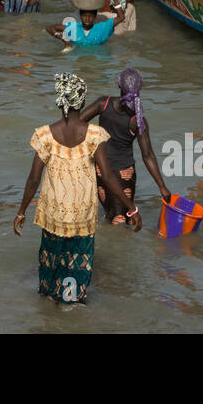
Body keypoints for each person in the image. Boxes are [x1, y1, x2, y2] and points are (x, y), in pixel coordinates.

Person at [13, 74, 140, 305]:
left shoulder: (45, 135)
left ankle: (51, 303)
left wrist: (21, 211)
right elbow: (109, 176)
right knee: (77, 263)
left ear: (61, 102)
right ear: (81, 102)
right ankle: (72, 301)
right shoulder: (94, 135)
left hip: (54, 215)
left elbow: (33, 179)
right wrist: (131, 207)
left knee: (51, 260)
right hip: (82, 216)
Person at [79, 69, 172, 226]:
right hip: (125, 174)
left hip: (101, 170)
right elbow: (148, 155)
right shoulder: (137, 120)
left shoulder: (103, 104)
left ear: (119, 85)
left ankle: (108, 245)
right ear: (139, 89)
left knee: (112, 216)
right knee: (125, 219)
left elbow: (78, 122)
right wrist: (162, 187)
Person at [47, 7, 117, 46]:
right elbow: (49, 28)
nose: (87, 19)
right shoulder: (74, 28)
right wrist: (59, 36)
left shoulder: (101, 28)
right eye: (84, 16)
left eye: (90, 16)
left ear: (95, 16)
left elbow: (121, 18)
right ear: (80, 16)